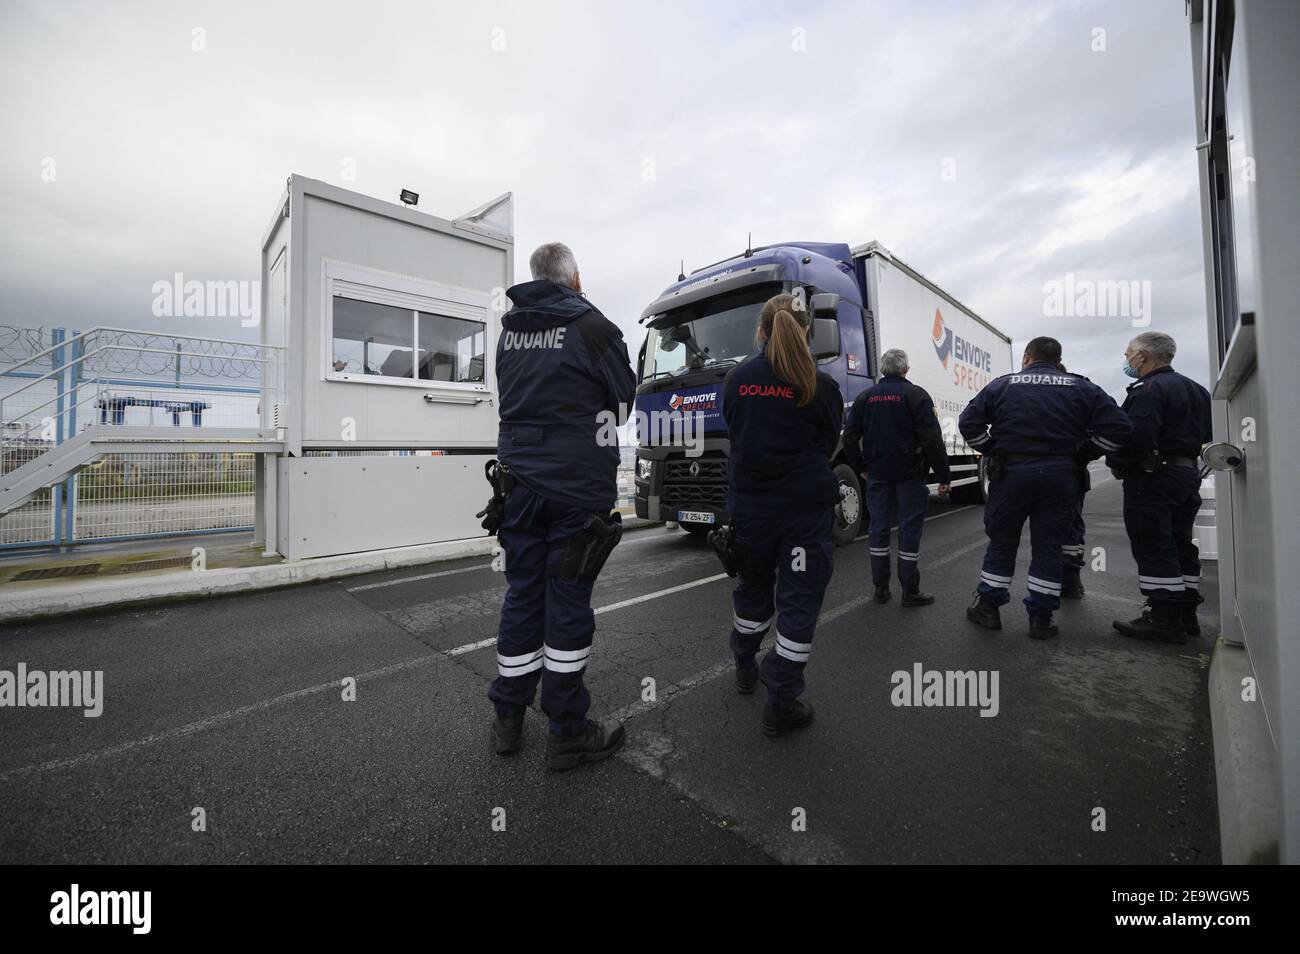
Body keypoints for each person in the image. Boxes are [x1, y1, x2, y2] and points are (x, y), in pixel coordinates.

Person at [486, 242, 637, 770]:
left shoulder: (509, 332)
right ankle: (568, 733)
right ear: (575, 278)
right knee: (567, 603)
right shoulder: (595, 328)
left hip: (519, 487)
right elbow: (621, 406)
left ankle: (508, 719)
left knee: (523, 597)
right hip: (576, 491)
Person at [721, 292, 844, 736]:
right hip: (804, 513)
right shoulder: (822, 385)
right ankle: (781, 699)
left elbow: (737, 433)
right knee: (798, 600)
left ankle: (744, 663)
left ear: (761, 331)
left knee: (753, 588)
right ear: (806, 331)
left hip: (752, 511)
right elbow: (829, 444)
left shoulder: (738, 380)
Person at [960, 336, 1132, 638]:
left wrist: (992, 449)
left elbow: (968, 422)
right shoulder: (1081, 387)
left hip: (1012, 474)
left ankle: (988, 608)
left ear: (1027, 357)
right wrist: (1086, 453)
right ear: (1057, 359)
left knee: (1002, 542)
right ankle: (1041, 619)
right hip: (1061, 475)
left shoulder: (1003, 385)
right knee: (1049, 546)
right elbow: (1120, 426)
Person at [1105, 331, 1213, 643]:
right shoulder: (1196, 389)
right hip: (1185, 474)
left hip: (1152, 478)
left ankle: (1163, 618)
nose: (1127, 361)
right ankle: (1186, 612)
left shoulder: (1148, 389)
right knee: (1181, 542)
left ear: (1144, 356)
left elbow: (1136, 438)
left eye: (1129, 356)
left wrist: (1118, 463)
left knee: (1154, 543)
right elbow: (1208, 431)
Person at [842, 348, 951, 606]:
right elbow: (932, 440)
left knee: (878, 530)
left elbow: (849, 438)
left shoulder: (865, 397)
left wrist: (861, 467)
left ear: (882, 369)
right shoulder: (916, 395)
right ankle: (910, 591)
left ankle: (880, 588)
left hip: (877, 475)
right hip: (910, 475)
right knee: (909, 530)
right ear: (905, 369)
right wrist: (944, 476)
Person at [1055, 362, 1095, 599]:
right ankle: (1070, 581)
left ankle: (1054, 582)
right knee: (1070, 526)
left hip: (1027, 471)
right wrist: (1084, 454)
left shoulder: (1021, 389)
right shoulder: (1083, 389)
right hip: (1071, 470)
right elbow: (1113, 426)